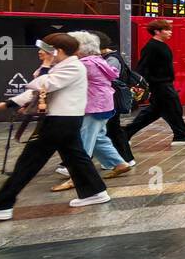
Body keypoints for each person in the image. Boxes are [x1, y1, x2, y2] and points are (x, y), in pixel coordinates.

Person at [0, 33, 112, 220]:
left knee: (28, 163)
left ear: (57, 51)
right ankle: (95, 192)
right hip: (64, 121)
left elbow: (43, 86)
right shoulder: (63, 66)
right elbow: (33, 93)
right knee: (76, 158)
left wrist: (45, 66)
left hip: (59, 122)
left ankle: (1, 205)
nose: (40, 53)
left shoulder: (74, 67)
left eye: (44, 50)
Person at [49, 31, 129, 192]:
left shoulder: (85, 64)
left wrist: (48, 63)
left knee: (82, 143)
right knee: (99, 138)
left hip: (93, 107)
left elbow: (55, 79)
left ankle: (76, 177)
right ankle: (119, 163)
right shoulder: (97, 61)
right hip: (103, 105)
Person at [125, 21, 185, 147]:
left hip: (164, 83)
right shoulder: (151, 47)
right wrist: (144, 85)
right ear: (157, 31)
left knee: (153, 112)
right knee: (174, 109)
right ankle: (181, 136)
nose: (170, 32)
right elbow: (143, 67)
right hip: (159, 85)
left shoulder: (162, 45)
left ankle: (124, 134)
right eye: (167, 30)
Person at [97, 34, 142, 173]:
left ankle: (123, 159)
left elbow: (109, 77)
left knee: (111, 129)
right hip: (109, 100)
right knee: (111, 130)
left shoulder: (111, 59)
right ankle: (122, 159)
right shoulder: (106, 58)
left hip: (111, 100)